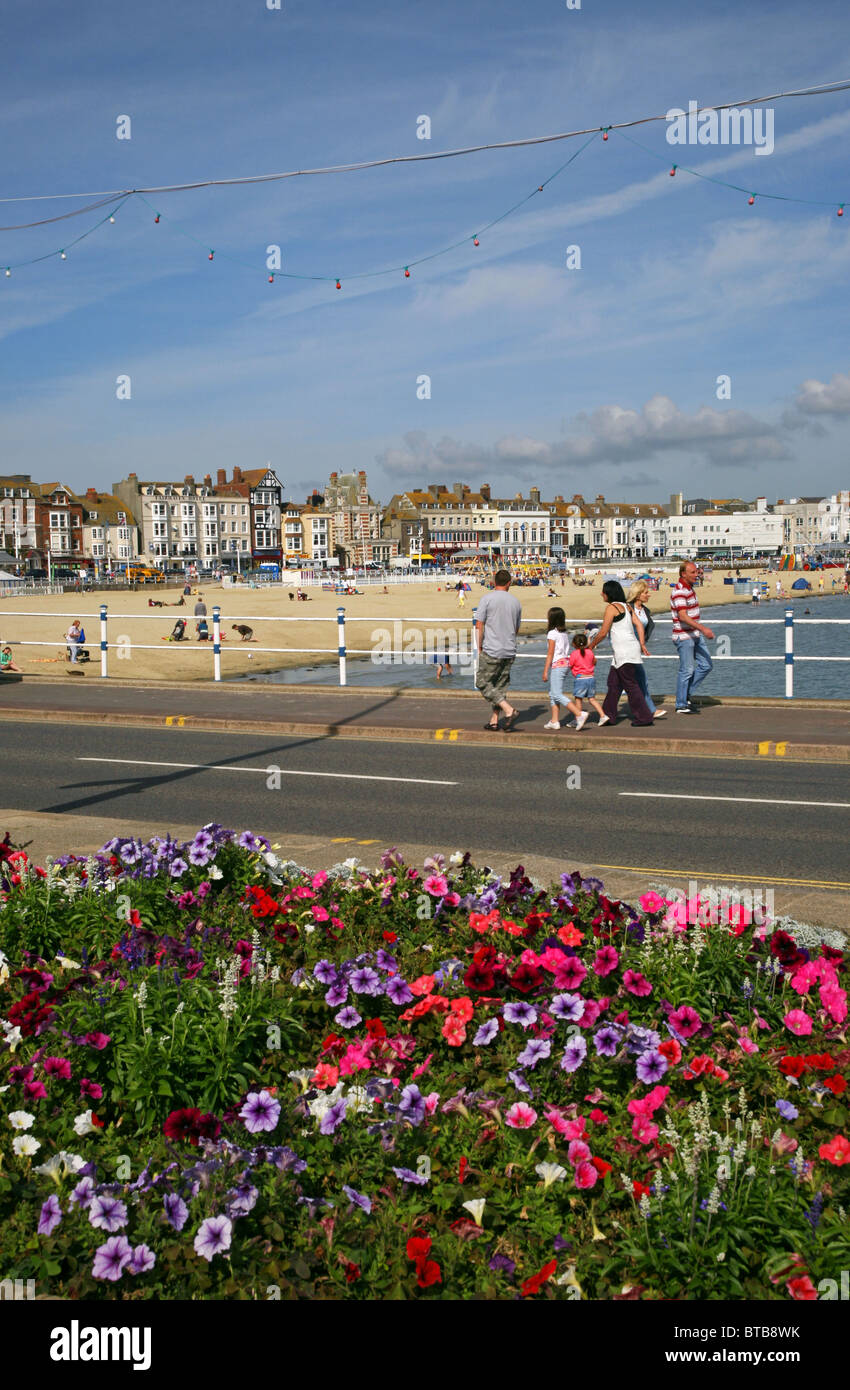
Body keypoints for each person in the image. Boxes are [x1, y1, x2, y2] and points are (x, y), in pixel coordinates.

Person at [587, 581, 654, 727]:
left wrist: (590, 646)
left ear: (609, 593)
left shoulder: (612, 608)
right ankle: (608, 716)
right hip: (628, 650)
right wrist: (641, 644)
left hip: (624, 651)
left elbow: (603, 632)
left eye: (603, 591)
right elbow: (639, 625)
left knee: (630, 685)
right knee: (613, 684)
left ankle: (644, 717)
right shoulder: (628, 607)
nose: (601, 594)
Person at [475, 569, 521, 731]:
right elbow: (516, 629)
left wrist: (479, 646)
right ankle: (495, 720)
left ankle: (509, 710)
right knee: (500, 686)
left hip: (492, 649)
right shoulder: (516, 602)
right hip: (509, 649)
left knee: (482, 682)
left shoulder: (487, 599)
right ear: (509, 583)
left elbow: (479, 625)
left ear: (494, 582)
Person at [671, 560, 715, 713]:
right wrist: (703, 629)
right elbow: (683, 616)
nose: (697, 575)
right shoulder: (679, 592)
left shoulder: (690, 589)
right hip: (684, 637)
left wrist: (699, 631)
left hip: (694, 635)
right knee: (687, 670)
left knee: (706, 665)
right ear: (683, 574)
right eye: (693, 572)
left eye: (697, 572)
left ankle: (685, 694)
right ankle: (681, 704)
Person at [627, 580, 666, 719]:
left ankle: (608, 712)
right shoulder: (627, 608)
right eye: (646, 592)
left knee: (620, 682)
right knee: (640, 678)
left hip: (636, 649)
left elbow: (647, 628)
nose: (649, 595)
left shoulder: (645, 610)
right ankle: (649, 709)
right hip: (627, 648)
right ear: (638, 595)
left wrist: (643, 644)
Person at [541, 605, 578, 730]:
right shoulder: (564, 633)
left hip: (557, 664)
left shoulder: (552, 633)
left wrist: (545, 671)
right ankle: (555, 721)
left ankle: (579, 714)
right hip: (565, 663)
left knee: (556, 694)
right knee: (553, 693)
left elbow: (550, 653)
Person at [566, 631, 609, 730]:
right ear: (586, 643)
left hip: (580, 679)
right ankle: (603, 716)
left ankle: (578, 719)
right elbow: (594, 661)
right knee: (592, 699)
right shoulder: (590, 652)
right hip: (591, 678)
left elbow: (570, 665)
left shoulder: (574, 654)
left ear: (574, 644)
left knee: (578, 699)